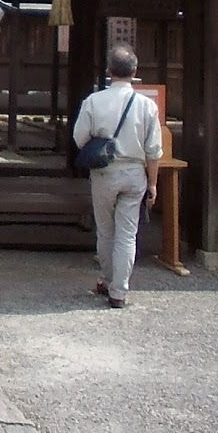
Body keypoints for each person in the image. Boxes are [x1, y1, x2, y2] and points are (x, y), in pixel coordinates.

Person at [72, 45, 162, 309]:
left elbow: (79, 139)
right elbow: (154, 150)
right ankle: (119, 292)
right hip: (135, 173)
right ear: (135, 71)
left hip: (104, 172)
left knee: (106, 231)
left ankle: (107, 280)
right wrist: (153, 183)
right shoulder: (147, 106)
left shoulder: (93, 101)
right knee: (127, 233)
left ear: (109, 71)